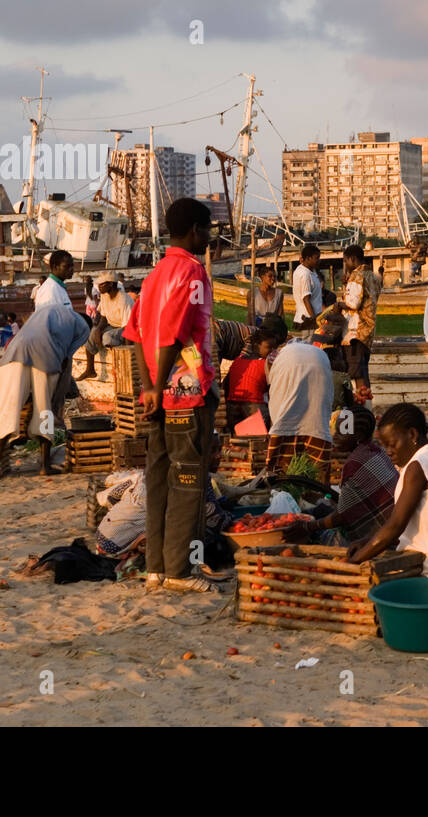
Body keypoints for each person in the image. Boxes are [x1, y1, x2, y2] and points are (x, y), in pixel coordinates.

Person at [124, 198, 219, 595]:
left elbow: (135, 336)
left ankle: (156, 568)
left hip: (157, 394)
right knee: (188, 480)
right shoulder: (192, 272)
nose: (210, 237)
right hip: (186, 393)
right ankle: (180, 570)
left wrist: (147, 387)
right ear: (195, 229)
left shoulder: (154, 274)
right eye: (208, 230)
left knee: (159, 478)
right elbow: (174, 337)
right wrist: (161, 387)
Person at [347, 403, 428, 579]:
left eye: (392, 444)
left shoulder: (417, 466)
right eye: (385, 446)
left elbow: (396, 525)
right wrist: (366, 541)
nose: (388, 452)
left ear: (412, 434)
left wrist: (352, 564)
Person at [0, 303, 90, 479]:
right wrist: (60, 390)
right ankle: (45, 465)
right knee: (45, 411)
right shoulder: (84, 328)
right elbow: (65, 360)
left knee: (6, 409)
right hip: (47, 357)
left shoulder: (50, 310)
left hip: (14, 352)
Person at [289, 406, 399, 547]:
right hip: (390, 530)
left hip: (375, 538)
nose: (335, 437)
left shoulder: (355, 463)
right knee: (321, 509)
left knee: (314, 536)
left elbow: (341, 517)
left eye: (342, 432)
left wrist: (307, 527)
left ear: (358, 436)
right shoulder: (376, 451)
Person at [266, 321, 335, 481]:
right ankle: (322, 495)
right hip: (318, 410)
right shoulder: (316, 351)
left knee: (283, 427)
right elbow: (328, 394)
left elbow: (275, 394)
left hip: (288, 408)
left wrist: (274, 427)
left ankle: (280, 489)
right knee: (316, 426)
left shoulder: (278, 355)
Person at [338, 243, 380, 402]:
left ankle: (364, 407)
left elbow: (353, 304)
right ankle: (367, 407)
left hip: (355, 332)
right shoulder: (373, 277)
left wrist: (339, 305)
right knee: (363, 371)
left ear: (352, 259)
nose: (346, 265)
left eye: (346, 261)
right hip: (368, 332)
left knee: (357, 375)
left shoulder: (357, 276)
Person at [77, 272, 133, 380]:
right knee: (91, 333)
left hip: (126, 328)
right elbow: (103, 318)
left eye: (102, 284)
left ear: (111, 284)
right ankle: (90, 369)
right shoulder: (104, 296)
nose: (99, 287)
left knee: (107, 337)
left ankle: (117, 367)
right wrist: (97, 330)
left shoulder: (124, 299)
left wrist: (129, 353)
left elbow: (128, 327)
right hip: (112, 325)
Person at [225, 330, 278, 431]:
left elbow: (226, 384)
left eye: (274, 348)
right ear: (257, 345)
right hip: (254, 406)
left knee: (234, 433)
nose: (272, 351)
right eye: (269, 347)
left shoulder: (238, 361)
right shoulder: (265, 364)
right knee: (260, 433)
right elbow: (273, 388)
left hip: (231, 404)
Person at [291, 244, 324, 339]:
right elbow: (306, 299)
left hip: (310, 317)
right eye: (316, 258)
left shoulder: (308, 270)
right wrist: (314, 320)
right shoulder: (304, 274)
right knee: (310, 348)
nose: (319, 260)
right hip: (308, 319)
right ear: (308, 258)